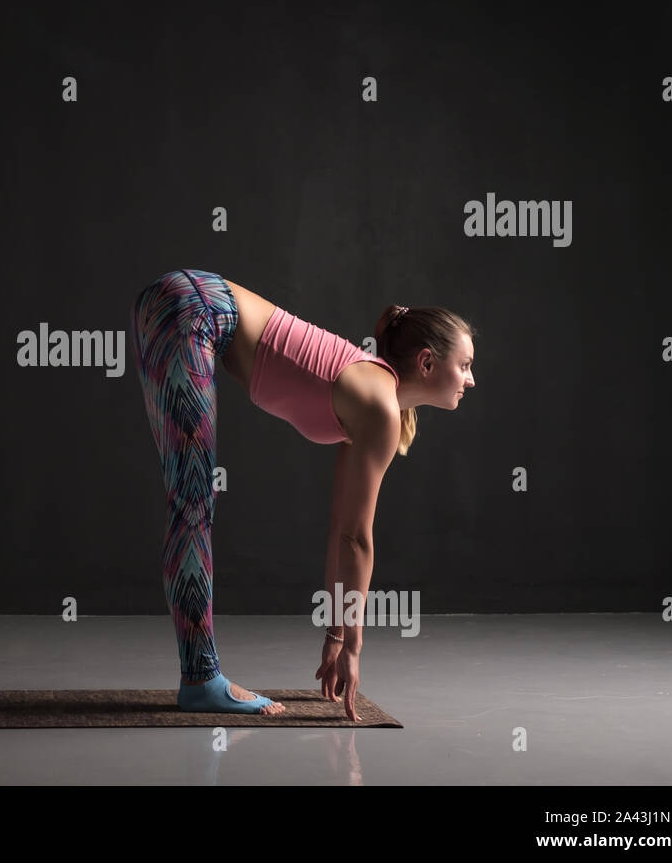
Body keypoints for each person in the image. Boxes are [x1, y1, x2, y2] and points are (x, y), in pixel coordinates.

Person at [128, 268, 477, 719]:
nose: (471, 379)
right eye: (464, 366)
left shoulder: (375, 399)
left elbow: (340, 532)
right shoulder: (380, 405)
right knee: (192, 502)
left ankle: (199, 676)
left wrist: (336, 635)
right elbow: (357, 539)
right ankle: (200, 678)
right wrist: (354, 646)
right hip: (195, 307)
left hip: (177, 302)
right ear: (428, 363)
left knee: (189, 499)